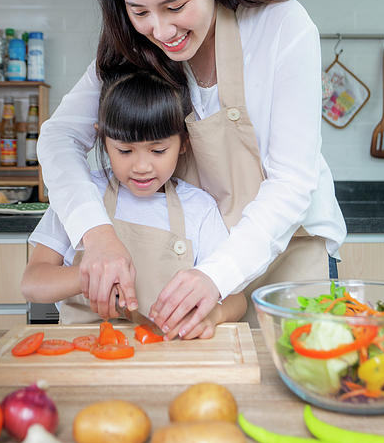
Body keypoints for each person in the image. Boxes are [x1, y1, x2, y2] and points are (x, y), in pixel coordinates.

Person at [37, 0, 346, 339]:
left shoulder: (281, 27)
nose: (161, 31)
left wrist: (217, 277)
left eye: (175, 6)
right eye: (139, 10)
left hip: (290, 262)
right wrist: (95, 234)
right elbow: (59, 137)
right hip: (196, 273)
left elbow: (292, 182)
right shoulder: (132, 48)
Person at [23, 70, 246, 339]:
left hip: (166, 358)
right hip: (83, 356)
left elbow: (237, 298)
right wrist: (90, 277)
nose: (141, 166)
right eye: (125, 151)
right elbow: (32, 282)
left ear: (184, 143)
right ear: (103, 141)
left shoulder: (199, 207)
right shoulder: (82, 195)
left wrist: (214, 315)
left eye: (158, 151)